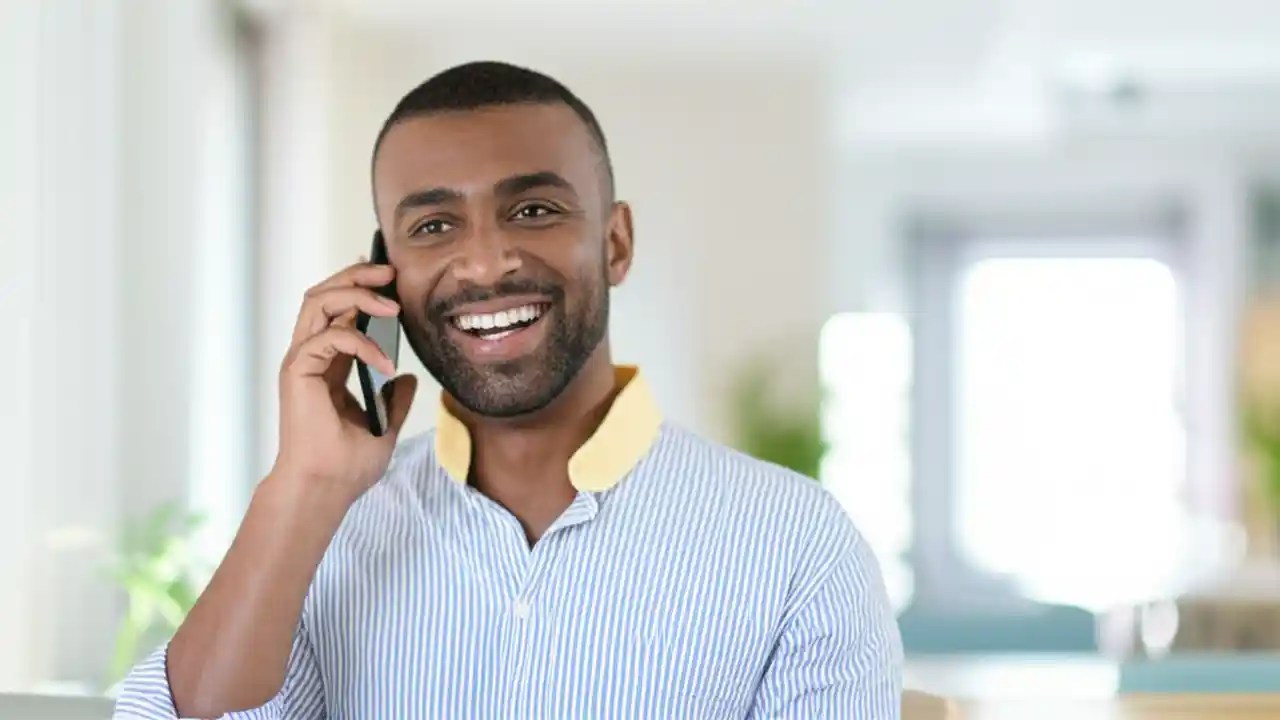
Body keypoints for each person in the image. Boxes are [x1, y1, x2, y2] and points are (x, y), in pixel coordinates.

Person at [113, 61, 901, 719]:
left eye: (533, 210)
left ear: (615, 242)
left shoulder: (796, 545)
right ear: (382, 273)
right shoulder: (325, 534)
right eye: (433, 227)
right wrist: (305, 486)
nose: (486, 265)